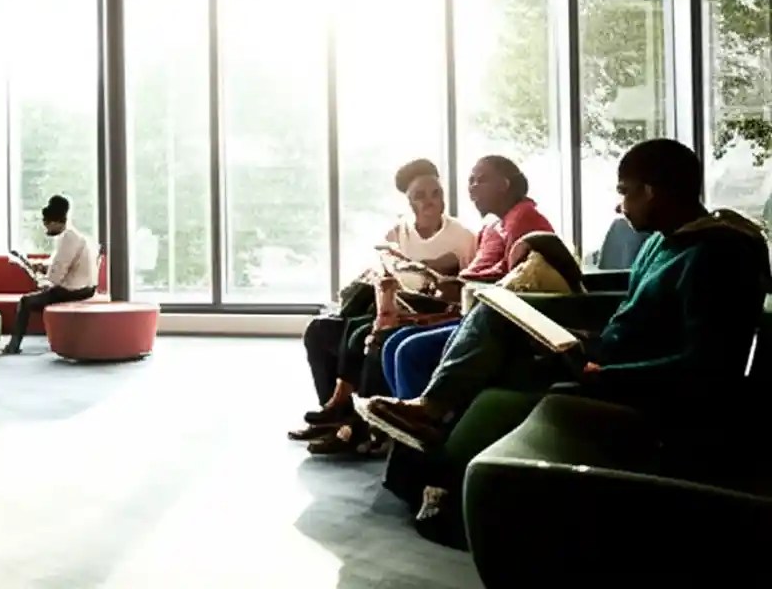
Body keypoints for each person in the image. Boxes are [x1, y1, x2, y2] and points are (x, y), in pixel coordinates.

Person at [357, 138, 772, 460]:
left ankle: (440, 458)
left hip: (626, 374)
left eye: (626, 191)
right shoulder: (660, 242)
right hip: (607, 349)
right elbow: (629, 305)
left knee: (494, 359)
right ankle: (431, 413)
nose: (619, 203)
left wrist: (604, 375)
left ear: (652, 192)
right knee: (496, 313)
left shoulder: (716, 257)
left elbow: (709, 367)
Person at [292, 159, 477, 456]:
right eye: (421, 196)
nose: (430, 201)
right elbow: (383, 275)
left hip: (428, 314)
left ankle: (356, 426)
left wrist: (438, 279)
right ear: (409, 202)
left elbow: (468, 289)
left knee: (366, 338)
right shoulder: (396, 233)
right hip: (389, 307)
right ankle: (332, 416)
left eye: (435, 193)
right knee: (320, 330)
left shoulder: (463, 237)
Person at [378, 155, 555, 401]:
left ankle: (425, 422)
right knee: (391, 343)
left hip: (496, 319)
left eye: (480, 180)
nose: (471, 188)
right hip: (470, 306)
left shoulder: (525, 219)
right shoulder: (494, 226)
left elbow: (520, 283)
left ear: (504, 184)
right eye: (470, 181)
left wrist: (461, 286)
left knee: (408, 350)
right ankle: (396, 427)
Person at [2, 195, 98, 355]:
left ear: (54, 222)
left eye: (47, 225)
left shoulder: (68, 238)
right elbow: (60, 264)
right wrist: (42, 267)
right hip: (85, 287)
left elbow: (56, 276)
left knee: (26, 302)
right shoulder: (71, 235)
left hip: (75, 290)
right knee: (39, 296)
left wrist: (42, 281)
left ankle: (13, 345)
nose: (46, 229)